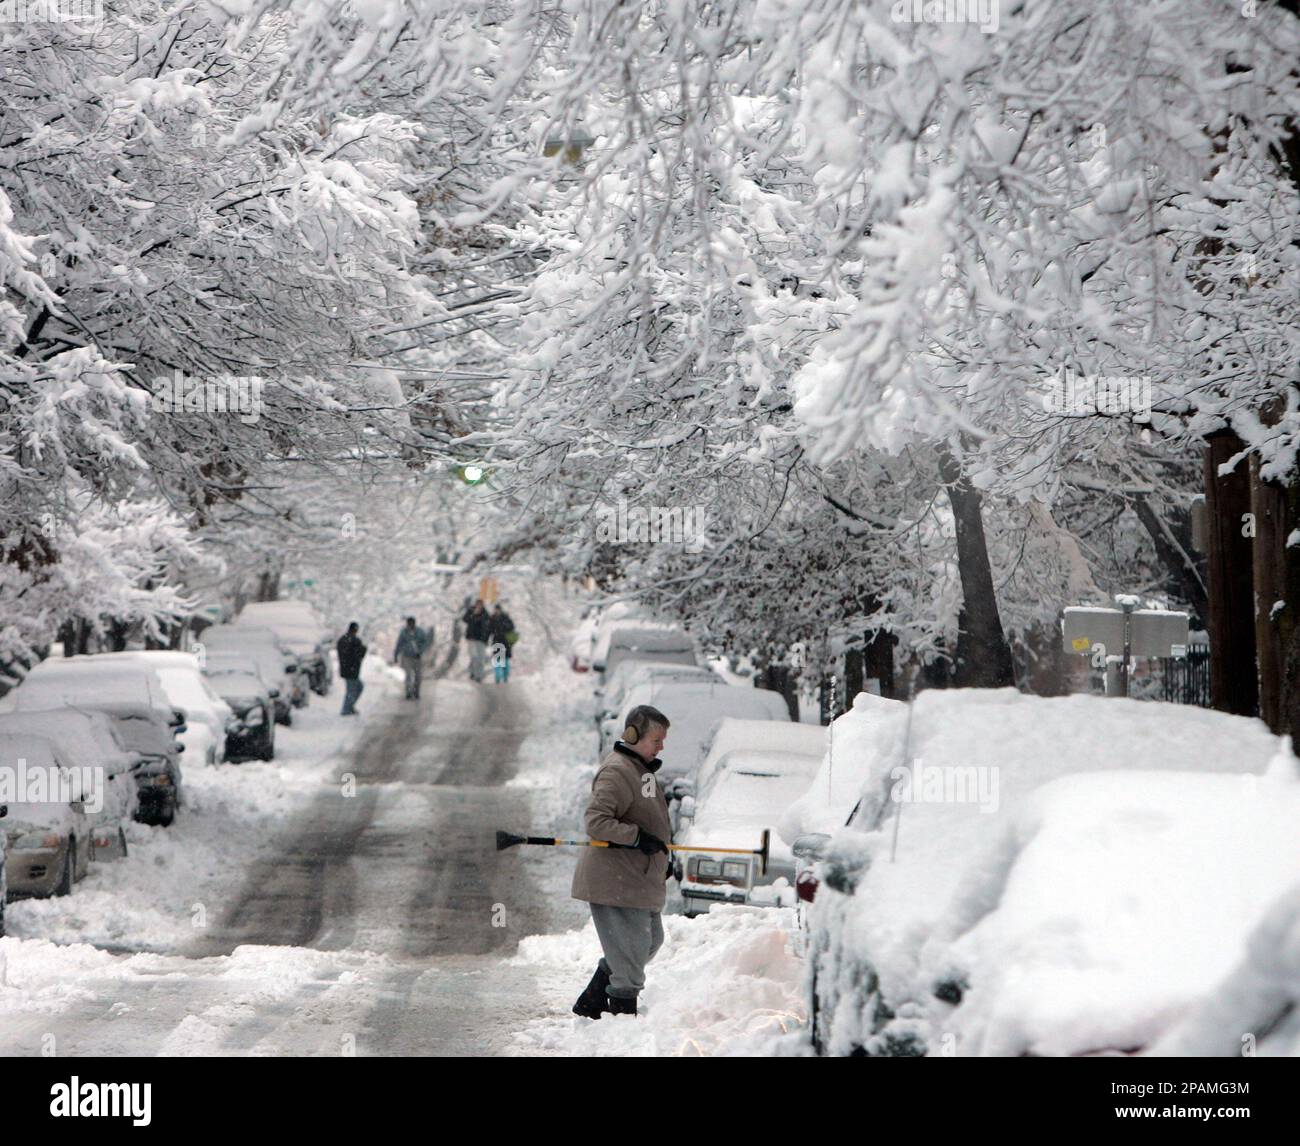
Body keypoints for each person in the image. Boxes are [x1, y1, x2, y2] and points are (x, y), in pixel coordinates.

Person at [570, 704, 673, 1018]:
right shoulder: (618, 771)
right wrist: (638, 838)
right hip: (616, 879)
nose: (662, 746)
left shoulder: (638, 770)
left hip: (635, 878)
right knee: (630, 959)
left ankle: (591, 1003)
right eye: (657, 739)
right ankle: (621, 1018)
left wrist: (659, 853)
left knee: (650, 941)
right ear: (632, 735)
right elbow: (596, 821)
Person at [392, 616, 431, 700]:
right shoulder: (404, 632)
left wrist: (420, 651)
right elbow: (399, 644)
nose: (410, 625)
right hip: (407, 656)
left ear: (414, 623)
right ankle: (408, 692)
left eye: (411, 623)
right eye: (409, 624)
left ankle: (416, 691)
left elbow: (425, 643)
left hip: (417, 657)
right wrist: (396, 655)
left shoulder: (420, 632)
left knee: (418, 676)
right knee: (408, 675)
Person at [336, 622, 367, 715]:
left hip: (346, 668)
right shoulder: (355, 641)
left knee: (356, 687)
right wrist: (363, 649)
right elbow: (358, 655)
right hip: (352, 669)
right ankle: (346, 709)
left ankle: (349, 707)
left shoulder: (342, 640)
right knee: (352, 689)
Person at [462, 599, 491, 683]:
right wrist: (473, 614)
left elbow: (488, 626)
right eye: (477, 605)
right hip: (471, 638)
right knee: (473, 657)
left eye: (480, 605)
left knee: (480, 658)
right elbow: (464, 619)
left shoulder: (485, 614)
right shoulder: (471, 611)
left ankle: (479, 676)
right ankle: (473, 673)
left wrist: (486, 638)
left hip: (481, 639)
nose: (479, 606)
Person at [487, 602, 516, 684]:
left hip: (506, 642)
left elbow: (511, 627)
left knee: (505, 661)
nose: (497, 611)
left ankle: (505, 676)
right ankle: (498, 677)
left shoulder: (506, 618)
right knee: (498, 660)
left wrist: (504, 626)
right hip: (497, 642)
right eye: (496, 610)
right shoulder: (492, 618)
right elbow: (489, 630)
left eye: (498, 610)